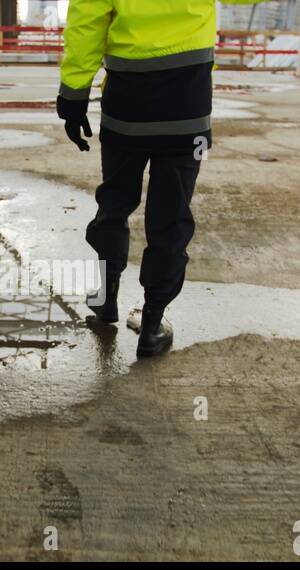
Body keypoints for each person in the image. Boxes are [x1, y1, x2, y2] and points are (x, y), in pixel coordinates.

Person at [57, 0, 259, 358]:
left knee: (114, 203)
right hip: (189, 112)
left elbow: (86, 23)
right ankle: (152, 326)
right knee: (172, 215)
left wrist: (73, 93)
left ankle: (106, 299)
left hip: (125, 108)